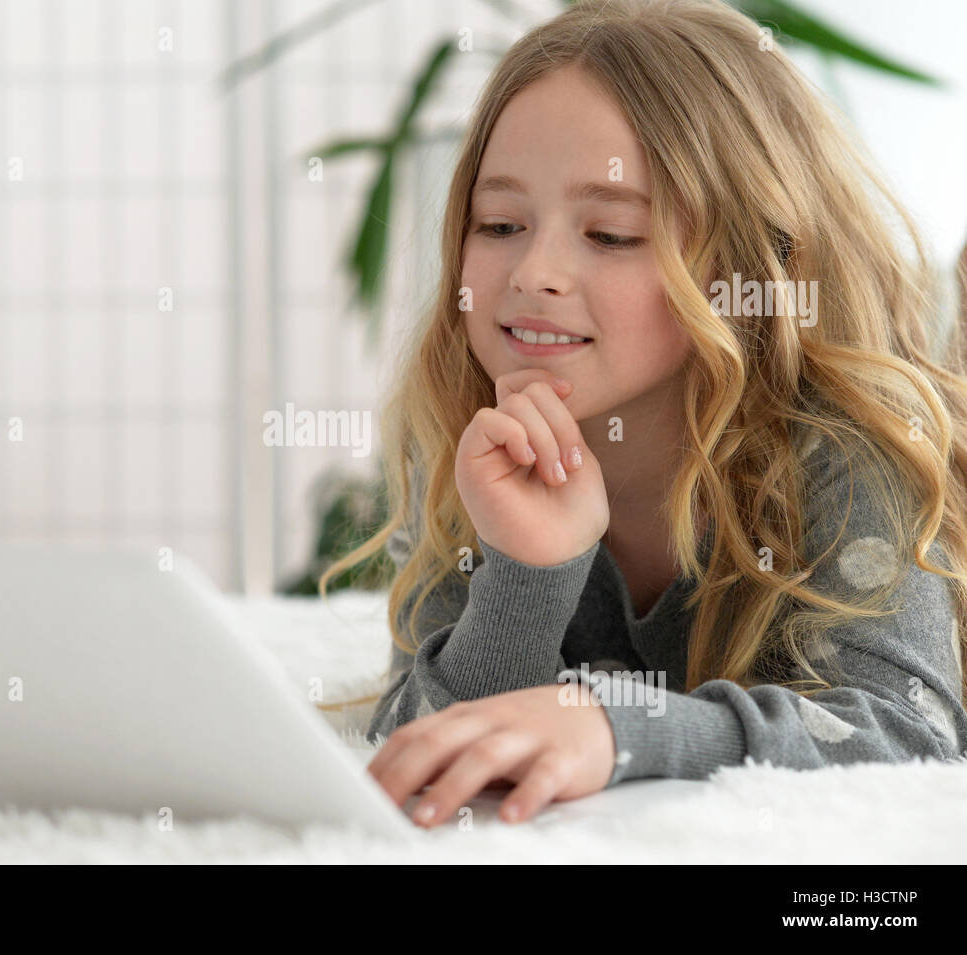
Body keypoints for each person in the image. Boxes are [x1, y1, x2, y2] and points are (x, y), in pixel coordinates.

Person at [318, 0, 967, 829]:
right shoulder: (471, 438)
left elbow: (908, 734)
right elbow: (422, 749)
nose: (535, 271)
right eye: (501, 223)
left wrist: (616, 725)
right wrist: (526, 573)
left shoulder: (847, 448)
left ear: (748, 269)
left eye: (613, 234)